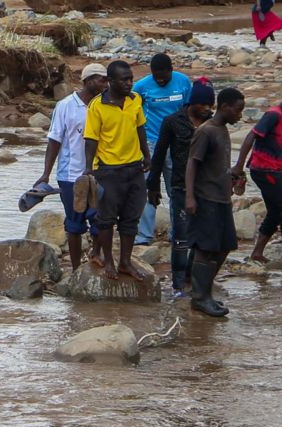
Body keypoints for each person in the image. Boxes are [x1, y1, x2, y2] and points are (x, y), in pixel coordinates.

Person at [83, 60, 153, 281]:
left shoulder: (135, 100)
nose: (129, 83)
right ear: (110, 81)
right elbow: (91, 139)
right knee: (106, 219)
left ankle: (125, 261)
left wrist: (147, 155)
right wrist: (88, 168)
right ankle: (109, 262)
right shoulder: (97, 106)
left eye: (131, 79)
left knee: (131, 218)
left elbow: (140, 128)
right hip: (108, 170)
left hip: (134, 168)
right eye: (124, 80)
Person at [35, 63, 108, 271]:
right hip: (70, 174)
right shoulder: (65, 106)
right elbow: (54, 141)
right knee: (74, 224)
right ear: (88, 81)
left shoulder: (105, 104)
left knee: (100, 219)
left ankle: (96, 254)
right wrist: (46, 174)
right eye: (101, 80)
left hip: (100, 172)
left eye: (107, 80)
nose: (106, 84)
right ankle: (76, 268)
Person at [148, 78, 215, 297]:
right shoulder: (172, 122)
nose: (207, 108)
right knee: (181, 235)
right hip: (180, 186)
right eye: (203, 104)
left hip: (206, 188)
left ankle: (191, 277)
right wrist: (153, 185)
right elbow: (159, 154)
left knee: (203, 235)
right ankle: (178, 285)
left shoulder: (212, 124)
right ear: (192, 102)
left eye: (210, 104)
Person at [233, 83, 282, 265]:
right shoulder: (273, 115)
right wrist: (239, 166)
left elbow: (280, 136)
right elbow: (251, 136)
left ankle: (257, 253)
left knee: (275, 211)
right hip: (264, 170)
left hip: (273, 170)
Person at [186, 86, 245, 317]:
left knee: (225, 246)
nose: (240, 115)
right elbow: (192, 163)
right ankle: (200, 298)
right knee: (205, 248)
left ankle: (205, 292)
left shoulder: (222, 129)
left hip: (222, 198)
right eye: (237, 110)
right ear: (225, 107)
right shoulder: (206, 131)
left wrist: (232, 177)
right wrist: (190, 197)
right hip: (206, 198)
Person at [132, 54, 192, 246]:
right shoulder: (141, 87)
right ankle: (144, 235)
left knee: (176, 188)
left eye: (163, 76)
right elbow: (133, 113)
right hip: (150, 143)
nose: (160, 80)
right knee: (147, 187)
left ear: (171, 70)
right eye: (156, 76)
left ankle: (178, 232)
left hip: (177, 143)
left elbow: (189, 110)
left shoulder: (183, 82)